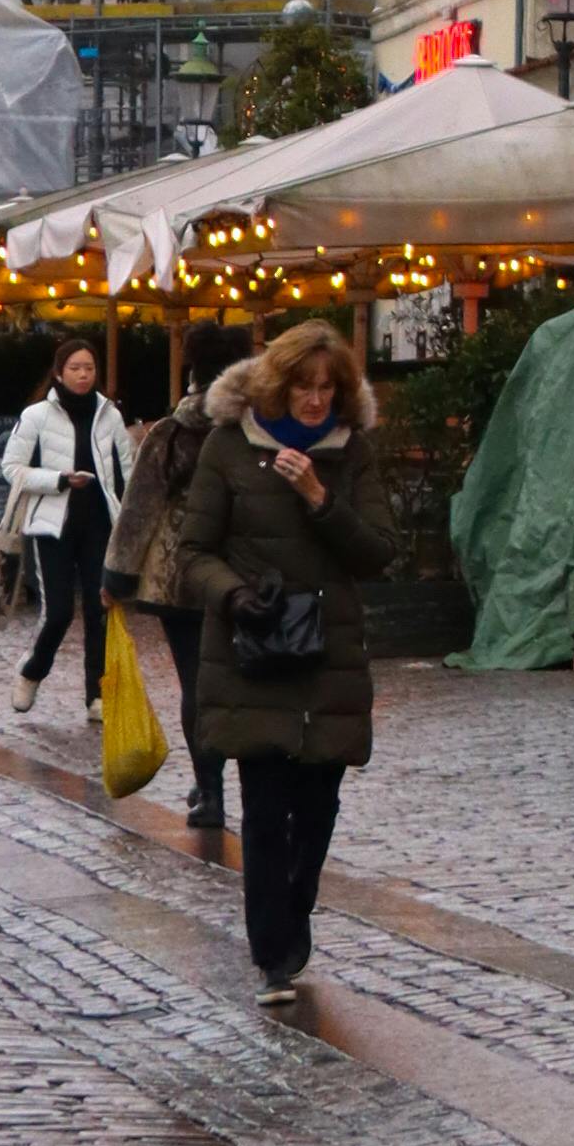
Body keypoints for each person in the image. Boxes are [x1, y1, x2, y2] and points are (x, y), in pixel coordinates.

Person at [176, 325, 393, 995]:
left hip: (328, 654)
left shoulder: (350, 452)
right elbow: (192, 554)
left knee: (319, 805)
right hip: (253, 652)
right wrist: (235, 596)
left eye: (328, 389)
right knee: (266, 809)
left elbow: (379, 551)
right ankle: (273, 949)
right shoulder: (228, 447)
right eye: (304, 387)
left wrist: (321, 502)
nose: (315, 401)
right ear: (279, 383)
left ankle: (295, 907)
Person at [106, 361, 229, 847]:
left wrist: (116, 577)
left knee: (196, 684)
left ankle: (210, 791)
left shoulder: (172, 433)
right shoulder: (256, 427)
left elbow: (140, 508)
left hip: (179, 579)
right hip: (246, 575)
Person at [1, 347, 132, 707]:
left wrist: (129, 515)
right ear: (59, 373)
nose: (83, 374)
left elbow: (127, 469)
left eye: (89, 367)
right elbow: (11, 467)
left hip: (100, 524)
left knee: (99, 608)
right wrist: (58, 479)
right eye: (75, 368)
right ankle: (32, 670)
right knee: (58, 611)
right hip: (51, 524)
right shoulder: (36, 416)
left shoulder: (110, 415)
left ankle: (97, 695)